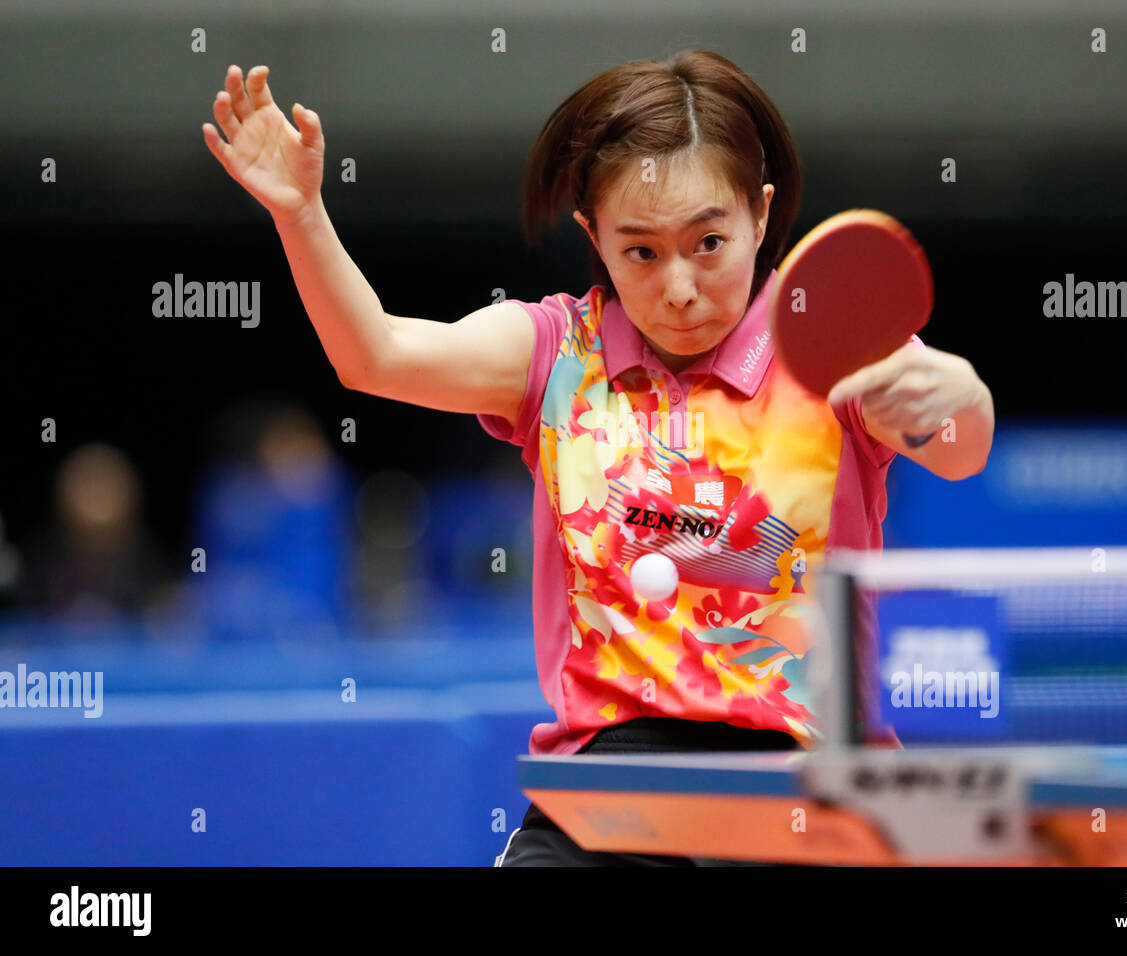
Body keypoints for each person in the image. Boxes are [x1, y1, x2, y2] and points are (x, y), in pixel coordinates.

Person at [202, 49, 994, 865]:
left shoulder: (829, 342)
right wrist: (300, 214)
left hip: (811, 779)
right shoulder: (554, 353)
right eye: (642, 251)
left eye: (710, 242)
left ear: (760, 215)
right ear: (594, 237)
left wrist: (960, 392)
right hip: (612, 789)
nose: (679, 286)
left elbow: (962, 452)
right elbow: (376, 354)